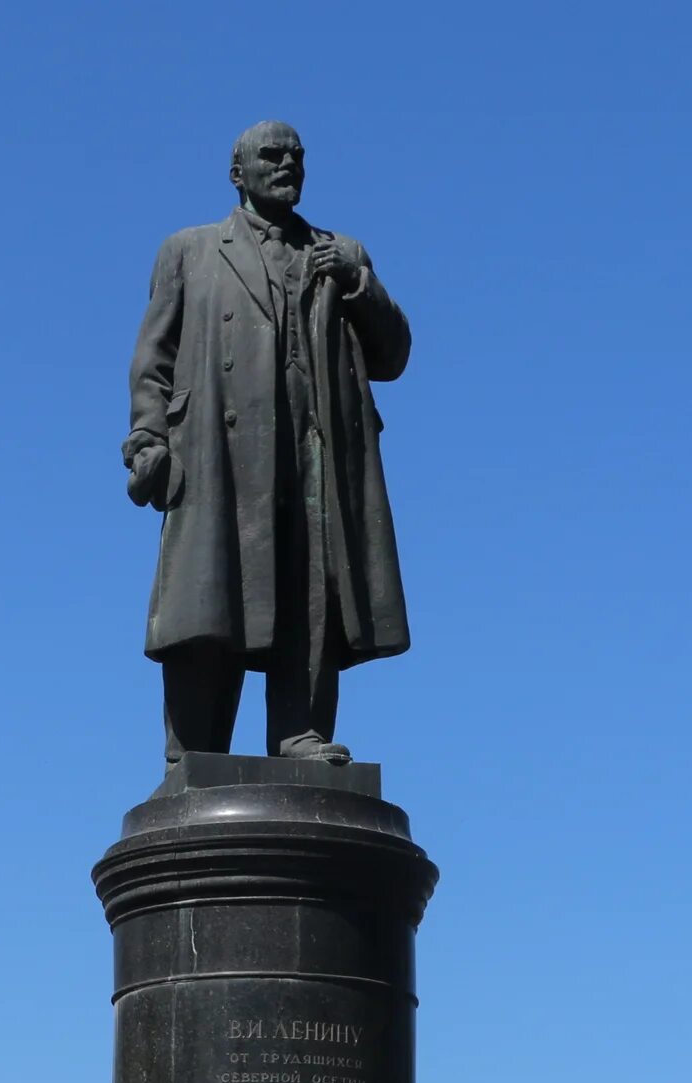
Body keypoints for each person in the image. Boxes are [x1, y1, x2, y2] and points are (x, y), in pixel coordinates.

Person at [125, 121, 414, 766]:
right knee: (211, 594)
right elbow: (154, 358)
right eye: (272, 156)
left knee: (310, 585)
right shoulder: (191, 250)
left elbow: (393, 355)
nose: (287, 166)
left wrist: (360, 284)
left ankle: (297, 731)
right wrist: (147, 438)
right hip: (216, 453)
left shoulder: (340, 251)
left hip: (314, 452)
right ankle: (194, 752)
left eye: (297, 157)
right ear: (238, 174)